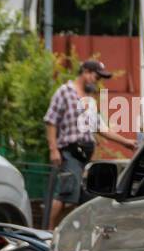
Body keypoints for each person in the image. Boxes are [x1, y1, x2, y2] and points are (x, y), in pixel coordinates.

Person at [44, 59, 113, 229]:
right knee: (66, 197)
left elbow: (99, 127)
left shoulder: (89, 99)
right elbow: (50, 121)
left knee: (72, 200)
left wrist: (127, 142)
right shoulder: (65, 92)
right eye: (96, 77)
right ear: (86, 72)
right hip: (69, 152)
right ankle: (50, 232)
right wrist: (53, 149)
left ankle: (58, 232)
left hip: (83, 158)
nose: (97, 82)